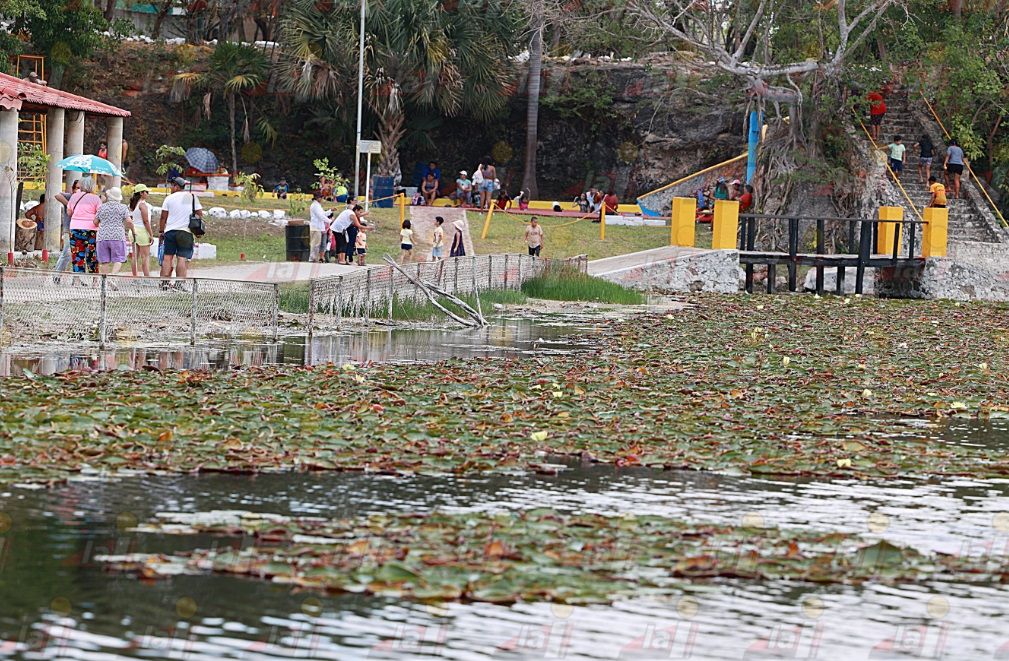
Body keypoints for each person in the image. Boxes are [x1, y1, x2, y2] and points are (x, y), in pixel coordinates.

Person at [158, 177, 203, 281]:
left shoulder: (169, 198)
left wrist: (161, 231)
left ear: (176, 186)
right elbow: (199, 214)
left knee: (168, 257)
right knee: (182, 258)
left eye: (171, 186)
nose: (170, 188)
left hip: (170, 232)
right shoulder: (191, 197)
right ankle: (180, 284)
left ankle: (164, 283)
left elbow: (163, 217)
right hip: (185, 232)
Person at [67, 176, 102, 275]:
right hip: (91, 229)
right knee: (92, 254)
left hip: (75, 228)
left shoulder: (74, 196)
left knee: (77, 254)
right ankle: (94, 279)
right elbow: (100, 214)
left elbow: (69, 212)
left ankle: (77, 278)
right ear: (92, 186)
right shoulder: (96, 198)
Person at [95, 187, 132, 277]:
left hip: (102, 236)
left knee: (104, 261)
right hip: (117, 236)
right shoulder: (123, 207)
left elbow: (95, 222)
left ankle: (104, 283)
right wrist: (133, 231)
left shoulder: (102, 207)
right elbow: (129, 221)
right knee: (118, 259)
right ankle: (112, 275)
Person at [129, 184, 154, 277]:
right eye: (146, 192)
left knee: (135, 256)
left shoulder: (133, 205)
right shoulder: (142, 205)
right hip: (142, 231)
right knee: (145, 256)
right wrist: (151, 234)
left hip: (133, 230)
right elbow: (146, 221)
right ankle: (147, 277)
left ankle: (135, 277)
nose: (147, 194)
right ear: (141, 193)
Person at [309, 190, 329, 263]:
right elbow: (320, 216)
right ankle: (312, 258)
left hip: (318, 227)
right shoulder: (315, 206)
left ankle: (315, 258)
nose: (322, 199)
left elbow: (323, 214)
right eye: (321, 197)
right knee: (315, 244)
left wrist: (330, 211)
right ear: (317, 198)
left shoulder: (318, 205)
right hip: (316, 227)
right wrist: (329, 221)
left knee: (318, 243)